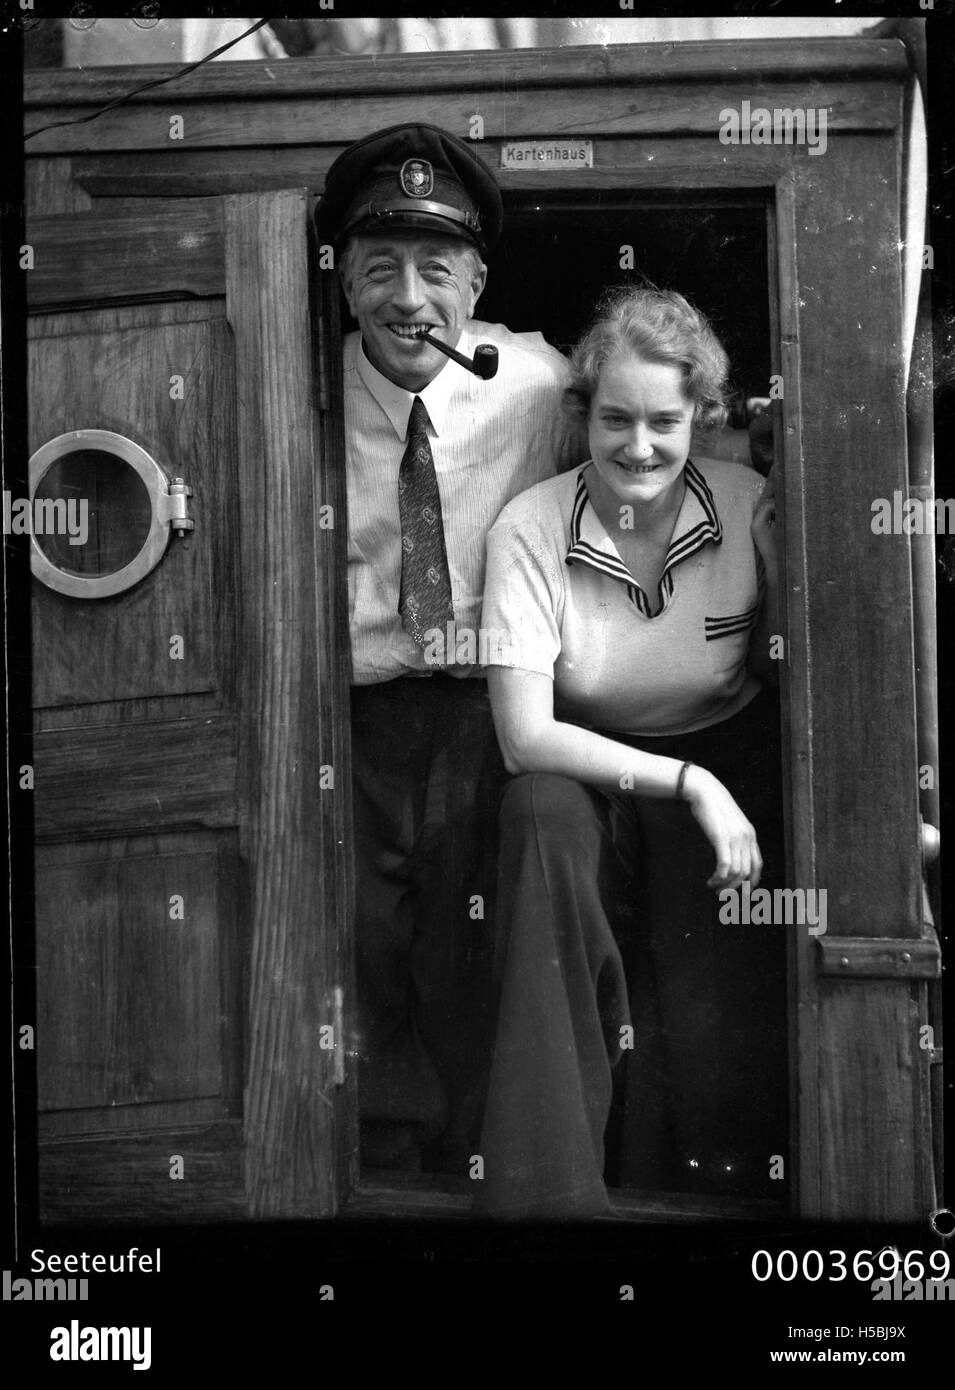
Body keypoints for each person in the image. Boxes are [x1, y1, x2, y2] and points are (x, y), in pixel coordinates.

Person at [474, 286, 786, 1218]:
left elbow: (795, 675)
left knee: (707, 1007)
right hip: (588, 767)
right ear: (583, 415)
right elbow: (524, 737)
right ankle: (546, 1199)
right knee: (536, 816)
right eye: (614, 418)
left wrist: (779, 564)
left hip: (726, 754)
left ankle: (733, 1196)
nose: (637, 447)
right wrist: (691, 784)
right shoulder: (530, 526)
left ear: (704, 419)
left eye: (664, 421)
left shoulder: (749, 504)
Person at [314, 124, 574, 1171]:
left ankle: (470, 1162)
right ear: (341, 282)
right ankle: (378, 1159)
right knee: (361, 935)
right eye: (380, 268)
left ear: (475, 278)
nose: (408, 299)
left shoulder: (541, 387)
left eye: (436, 269)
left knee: (468, 937)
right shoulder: (302, 391)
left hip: (484, 709)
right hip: (349, 711)